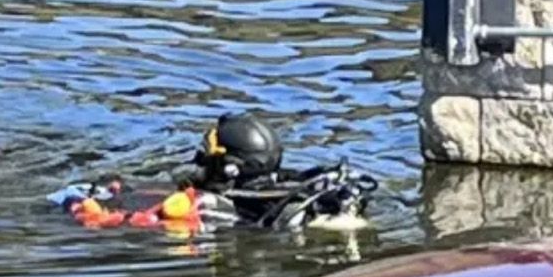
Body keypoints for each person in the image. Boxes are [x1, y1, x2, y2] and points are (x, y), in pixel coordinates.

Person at [54, 112, 374, 233]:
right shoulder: (290, 193)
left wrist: (80, 207)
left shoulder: (199, 207)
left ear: (228, 165)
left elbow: (124, 220)